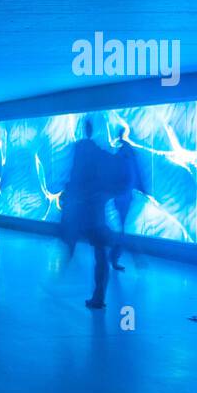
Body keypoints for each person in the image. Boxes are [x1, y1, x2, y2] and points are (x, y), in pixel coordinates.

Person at [60, 115, 118, 309]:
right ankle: (99, 295)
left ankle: (97, 295)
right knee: (100, 250)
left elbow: (75, 176)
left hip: (85, 206)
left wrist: (71, 194)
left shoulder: (80, 150)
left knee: (89, 243)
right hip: (96, 207)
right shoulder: (101, 153)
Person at [109, 125, 146, 271]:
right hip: (123, 196)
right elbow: (133, 173)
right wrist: (142, 188)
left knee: (123, 228)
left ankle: (114, 257)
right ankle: (120, 257)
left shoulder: (120, 153)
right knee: (124, 229)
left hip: (122, 196)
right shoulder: (126, 152)